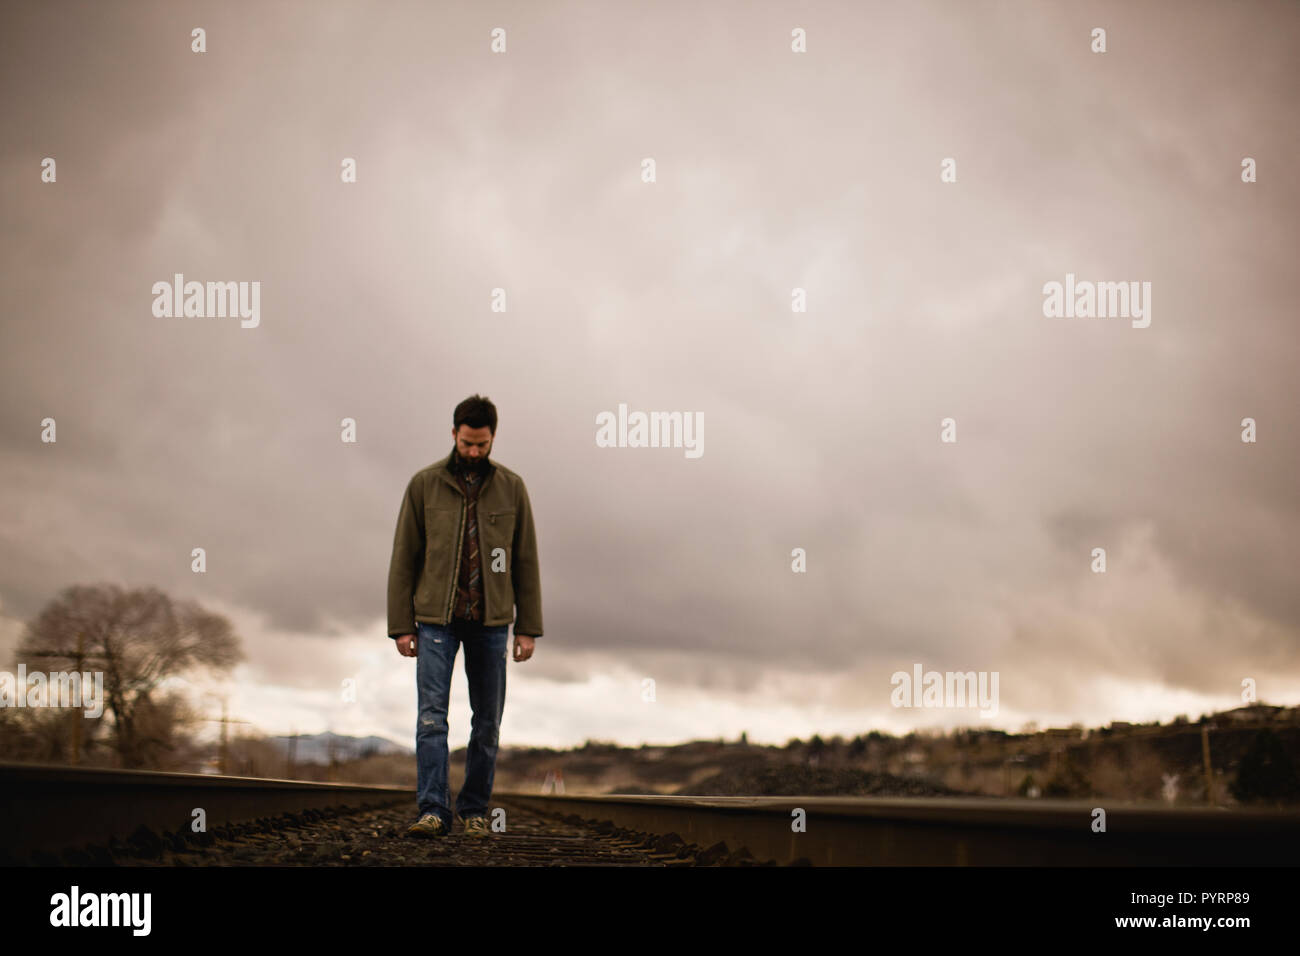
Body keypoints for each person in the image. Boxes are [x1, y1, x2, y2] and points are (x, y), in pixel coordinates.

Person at [386, 394, 543, 838]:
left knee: (487, 724)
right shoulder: (424, 485)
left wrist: (528, 627)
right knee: (431, 718)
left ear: (493, 438)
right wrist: (401, 625)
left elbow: (525, 560)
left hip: (492, 624)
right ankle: (433, 811)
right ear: (454, 434)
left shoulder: (512, 487)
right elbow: (404, 558)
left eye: (483, 444)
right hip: (436, 620)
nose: (474, 452)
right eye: (467, 443)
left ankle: (474, 811)